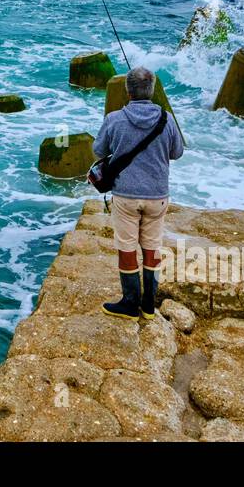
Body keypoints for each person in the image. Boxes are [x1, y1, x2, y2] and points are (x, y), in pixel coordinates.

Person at [90, 66, 185, 321]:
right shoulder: (166, 119)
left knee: (127, 248)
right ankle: (148, 305)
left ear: (128, 91)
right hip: (157, 195)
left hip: (126, 196)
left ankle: (130, 304)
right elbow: (177, 152)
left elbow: (99, 150)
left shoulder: (114, 119)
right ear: (151, 90)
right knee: (152, 247)